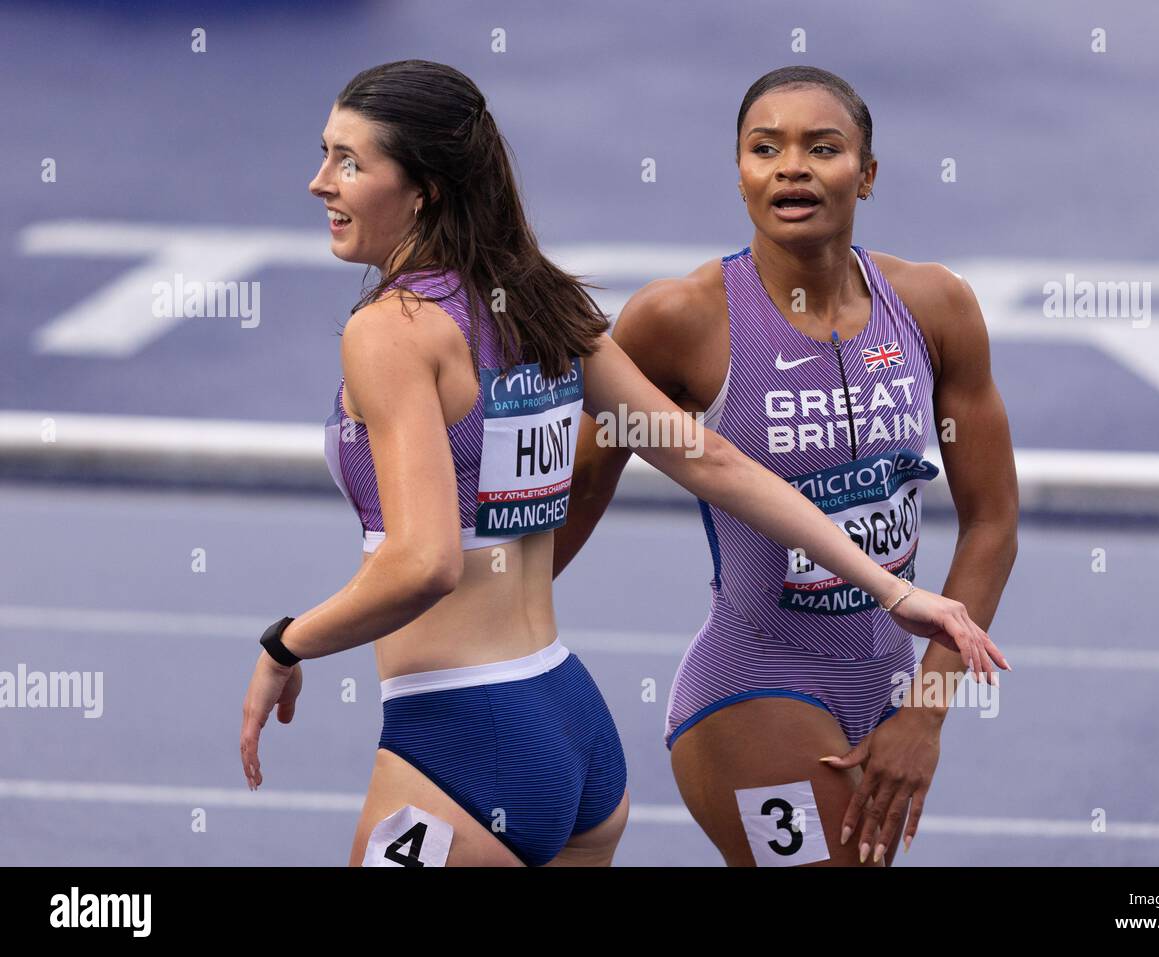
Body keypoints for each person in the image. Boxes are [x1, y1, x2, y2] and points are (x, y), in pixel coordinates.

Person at [240, 60, 1007, 868]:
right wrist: (896, 588)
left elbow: (424, 563)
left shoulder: (391, 330)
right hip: (572, 728)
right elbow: (712, 460)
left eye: (349, 161)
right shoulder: (541, 301)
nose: (321, 181)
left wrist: (285, 644)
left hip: (460, 732)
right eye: (328, 155)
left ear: (424, 184)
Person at [554, 66, 1020, 867]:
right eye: (764, 148)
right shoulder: (681, 320)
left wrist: (926, 710)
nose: (791, 167)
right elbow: (582, 483)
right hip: (753, 681)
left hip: (889, 679)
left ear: (866, 175)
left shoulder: (936, 308)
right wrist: (496, 637)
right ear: (740, 174)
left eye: (822, 147)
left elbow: (993, 522)